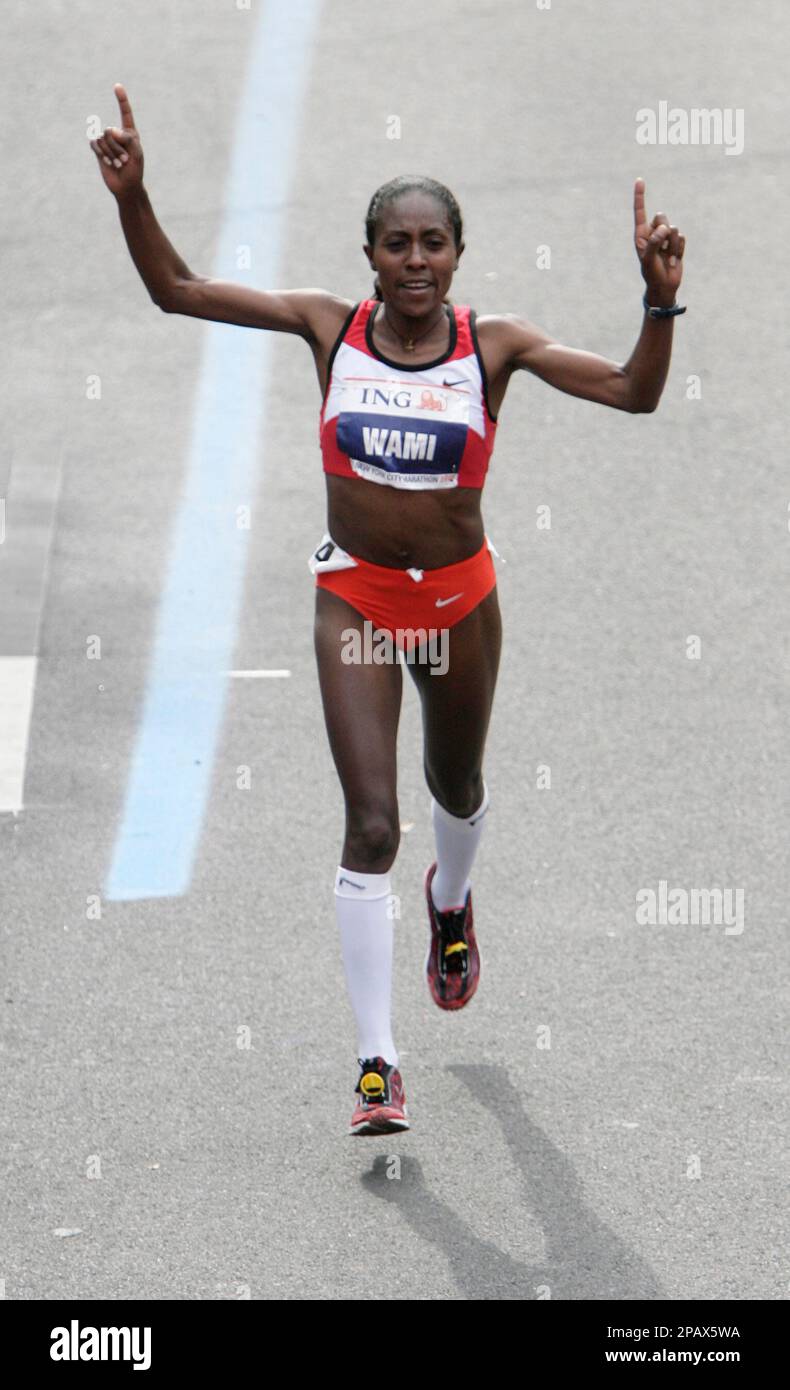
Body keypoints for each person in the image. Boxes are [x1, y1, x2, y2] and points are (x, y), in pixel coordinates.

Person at [91, 84, 686, 1136]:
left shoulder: (492, 345)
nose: (415, 262)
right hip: (355, 599)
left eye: (434, 245)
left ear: (458, 254)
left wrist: (657, 301)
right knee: (370, 822)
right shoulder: (331, 328)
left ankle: (449, 903)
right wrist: (136, 197)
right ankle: (377, 1062)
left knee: (454, 786)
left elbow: (634, 393)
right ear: (368, 255)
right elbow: (177, 289)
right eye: (396, 245)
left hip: (458, 606)